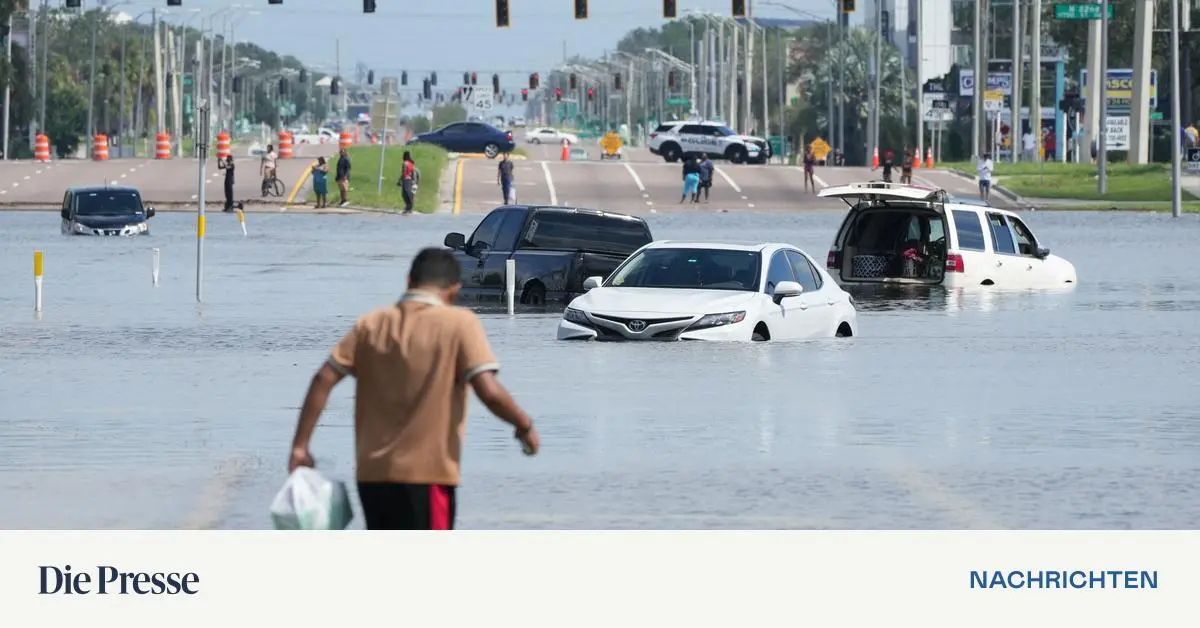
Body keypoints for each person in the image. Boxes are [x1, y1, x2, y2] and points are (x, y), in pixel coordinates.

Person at [287, 248, 540, 530]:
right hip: (428, 475)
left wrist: (300, 446)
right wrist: (524, 425)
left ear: (408, 281)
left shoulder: (371, 324)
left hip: (373, 477)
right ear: (454, 291)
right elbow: (488, 391)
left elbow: (323, 378)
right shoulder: (459, 323)